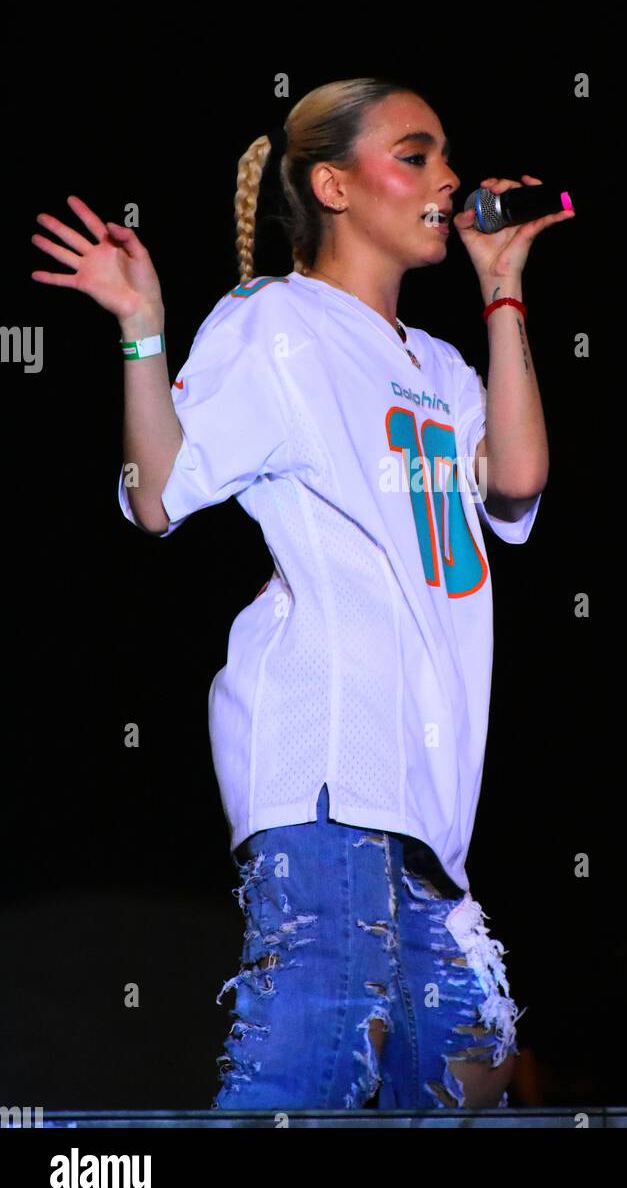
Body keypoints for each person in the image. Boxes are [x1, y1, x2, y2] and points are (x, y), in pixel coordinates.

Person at [31, 76, 575, 1111]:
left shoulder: (447, 369)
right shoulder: (274, 321)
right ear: (332, 183)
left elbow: (515, 481)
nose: (447, 179)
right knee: (318, 1043)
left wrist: (501, 287)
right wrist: (142, 331)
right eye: (415, 156)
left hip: (426, 783)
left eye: (446, 157)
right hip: (323, 749)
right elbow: (159, 498)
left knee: (465, 1066)